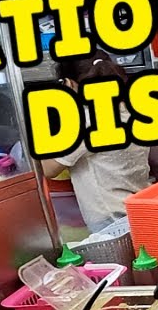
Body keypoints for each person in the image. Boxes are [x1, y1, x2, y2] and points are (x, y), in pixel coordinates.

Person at [39, 51, 150, 233]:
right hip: (138, 210)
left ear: (68, 84)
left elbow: (48, 169)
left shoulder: (87, 121)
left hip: (110, 218)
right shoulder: (132, 110)